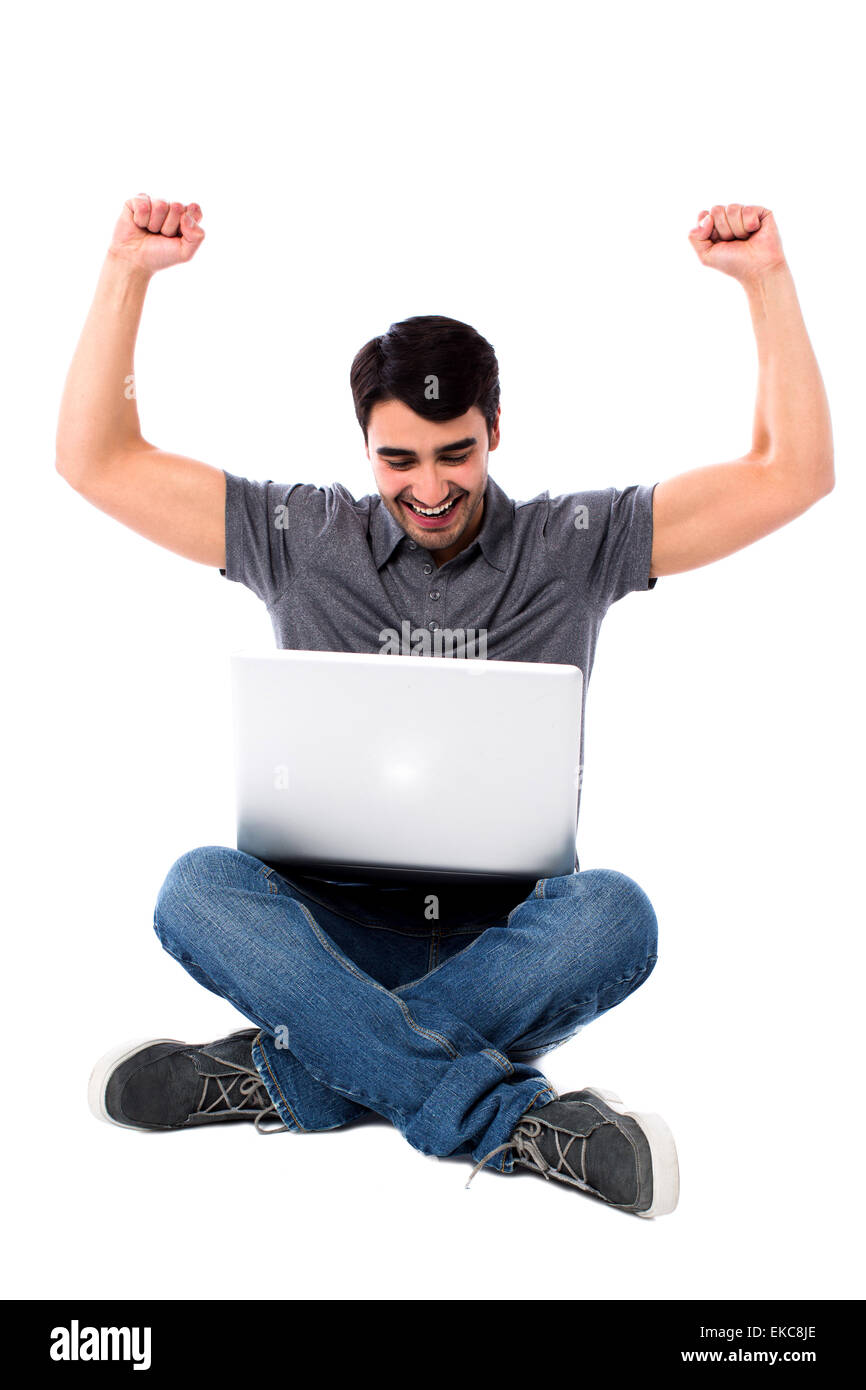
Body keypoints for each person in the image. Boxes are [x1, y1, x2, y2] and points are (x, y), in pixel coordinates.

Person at [56, 194, 833, 1219]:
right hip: (319, 937)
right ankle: (515, 1126)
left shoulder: (575, 542)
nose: (428, 487)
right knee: (194, 888)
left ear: (495, 430)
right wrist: (127, 270)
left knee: (615, 915)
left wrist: (765, 281)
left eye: (454, 452)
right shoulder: (296, 534)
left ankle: (292, 1073)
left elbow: (795, 474)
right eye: (398, 459)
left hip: (505, 946)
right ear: (363, 447)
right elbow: (92, 460)